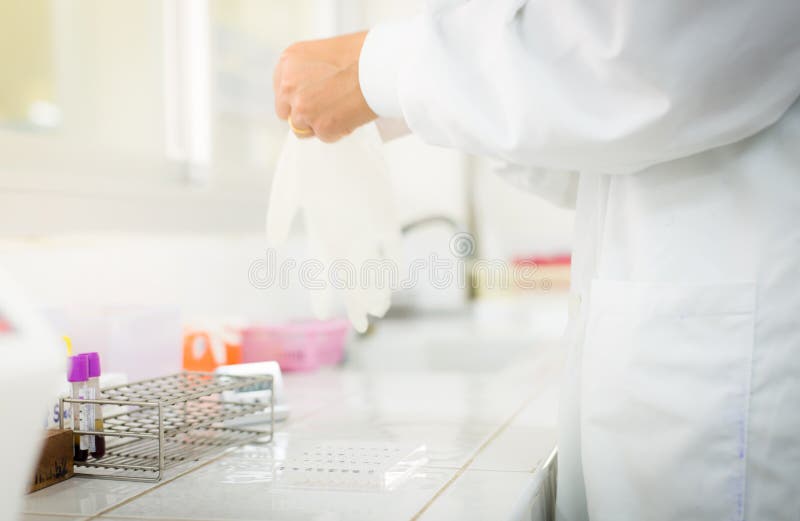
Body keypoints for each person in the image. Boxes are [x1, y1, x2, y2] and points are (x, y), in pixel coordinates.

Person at [273, 2, 800, 520]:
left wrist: (378, 67)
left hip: (737, 398)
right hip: (695, 376)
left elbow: (645, 56)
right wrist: (410, 97)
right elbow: (590, 153)